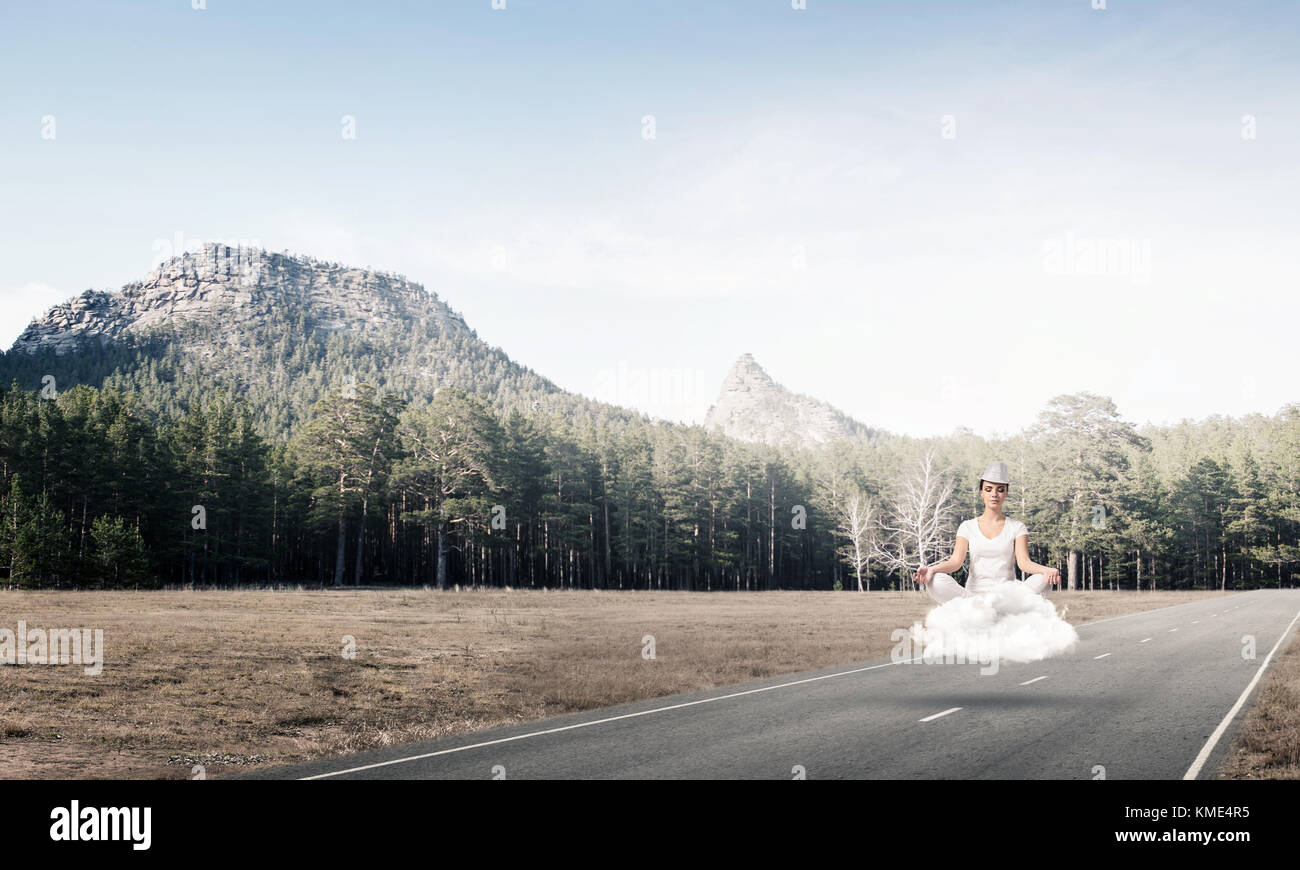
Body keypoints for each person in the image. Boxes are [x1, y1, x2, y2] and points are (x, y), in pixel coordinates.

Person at [913, 460, 1061, 603]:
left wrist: (1047, 570)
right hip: (973, 597)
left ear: (1006, 493)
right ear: (981, 493)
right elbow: (955, 562)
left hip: (1008, 596)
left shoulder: (1017, 527)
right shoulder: (967, 526)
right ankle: (989, 610)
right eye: (989, 489)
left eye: (1000, 490)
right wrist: (931, 569)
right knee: (936, 581)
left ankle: (1000, 610)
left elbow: (1024, 563)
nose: (994, 494)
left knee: (1043, 579)